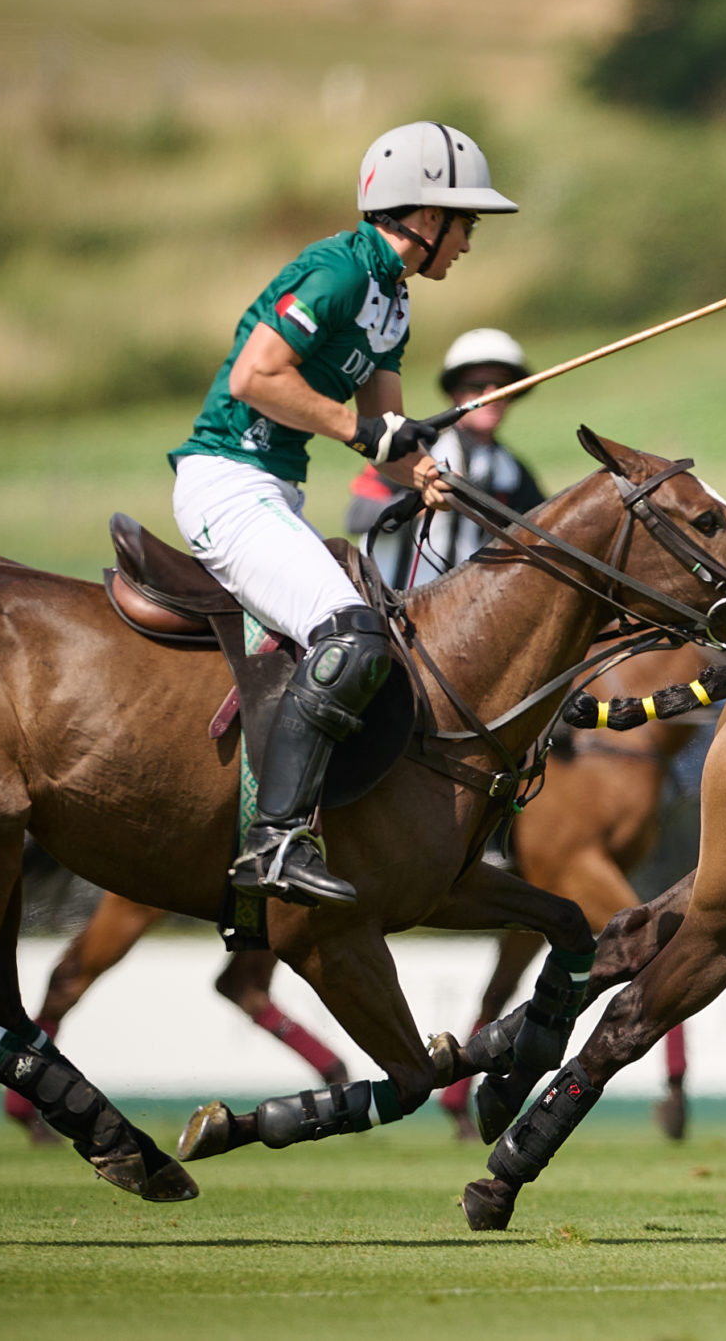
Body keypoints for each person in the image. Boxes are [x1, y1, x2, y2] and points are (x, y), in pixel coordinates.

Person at [170, 120, 516, 908]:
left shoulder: (393, 303)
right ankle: (276, 839)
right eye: (464, 222)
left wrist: (420, 467)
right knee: (352, 633)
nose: (467, 240)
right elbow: (260, 376)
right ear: (424, 218)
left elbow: (384, 433)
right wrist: (362, 429)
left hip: (273, 489)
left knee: (379, 634)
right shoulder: (334, 271)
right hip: (226, 480)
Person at [346, 328, 546, 588]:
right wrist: (418, 502)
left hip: (463, 614)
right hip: (390, 605)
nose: (491, 394)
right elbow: (356, 516)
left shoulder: (513, 470)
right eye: (476, 386)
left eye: (502, 386)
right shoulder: (411, 448)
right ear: (455, 393)